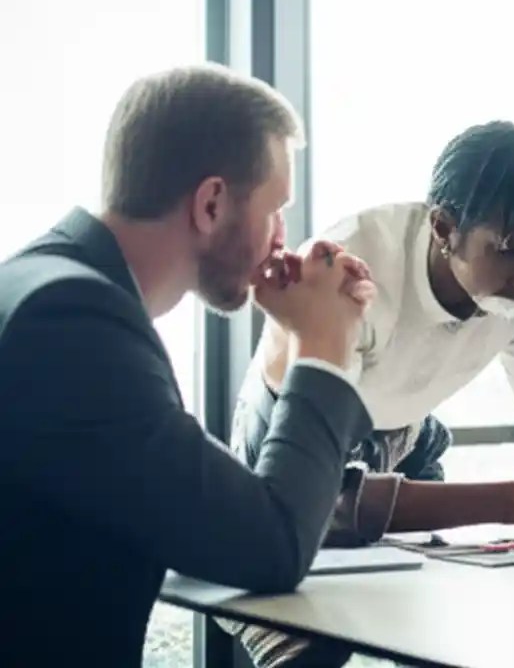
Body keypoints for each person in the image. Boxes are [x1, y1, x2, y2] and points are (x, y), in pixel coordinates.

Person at [0, 64, 376, 667]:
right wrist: (323, 347)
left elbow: (215, 505)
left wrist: (293, 337)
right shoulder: (73, 325)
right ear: (211, 203)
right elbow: (271, 543)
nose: (283, 238)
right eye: (276, 209)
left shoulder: (44, 287)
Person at [226, 121, 514, 667]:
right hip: (290, 437)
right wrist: (512, 501)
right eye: (510, 253)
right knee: (309, 647)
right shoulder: (352, 272)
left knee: (441, 632)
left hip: (408, 437)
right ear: (443, 227)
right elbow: (334, 498)